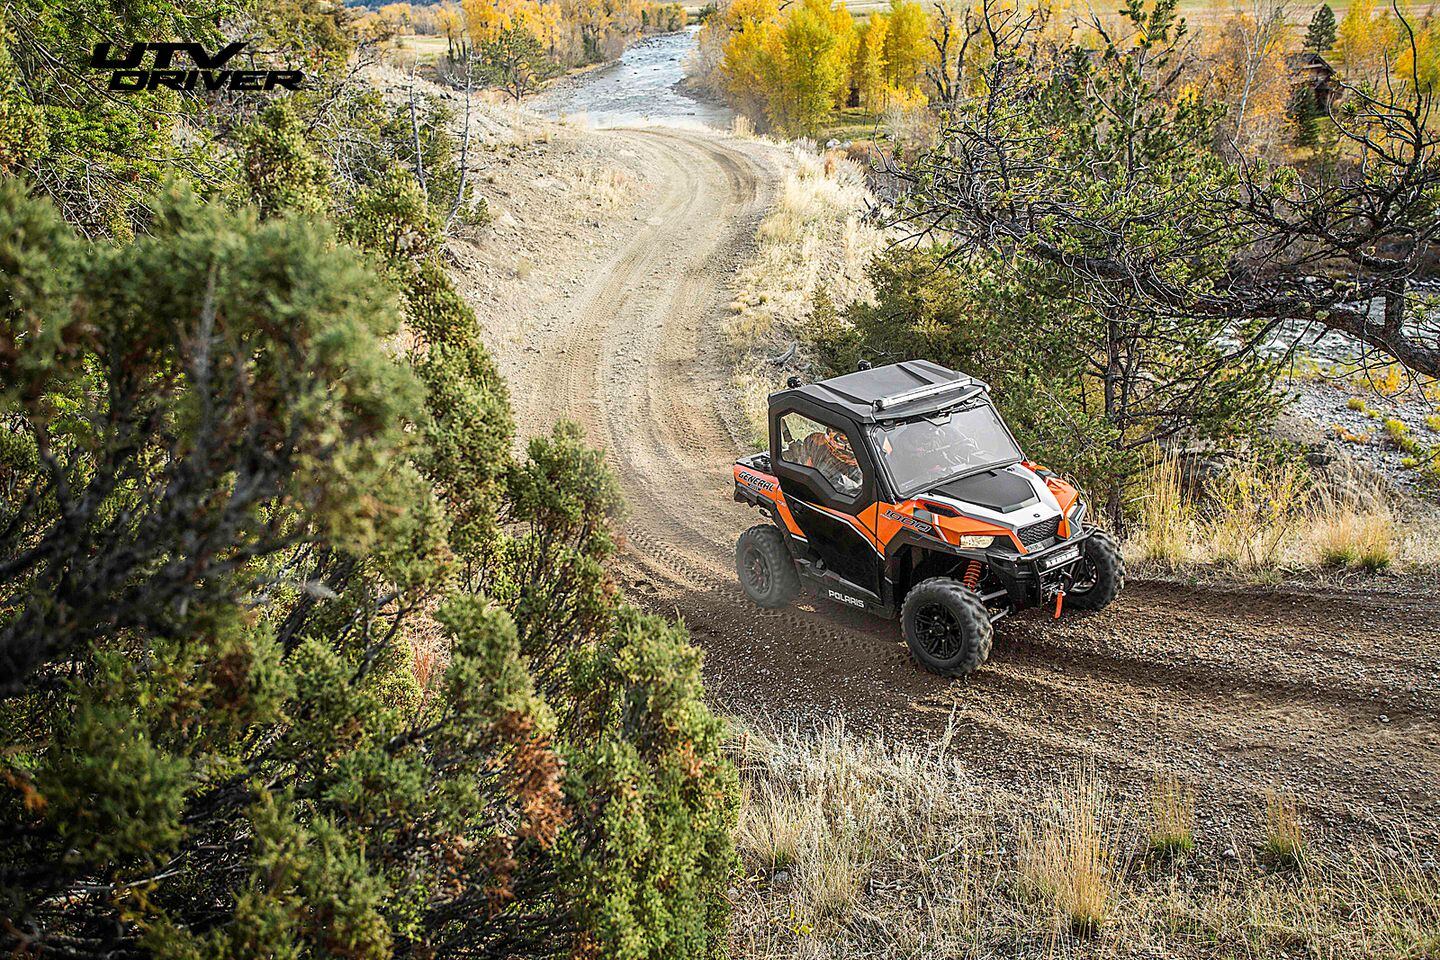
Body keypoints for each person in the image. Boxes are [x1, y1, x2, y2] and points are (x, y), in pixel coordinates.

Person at [799, 427, 862, 495]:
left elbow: (858, 482)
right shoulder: (815, 441)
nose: (843, 446)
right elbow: (805, 469)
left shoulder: (853, 458)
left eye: (842, 440)